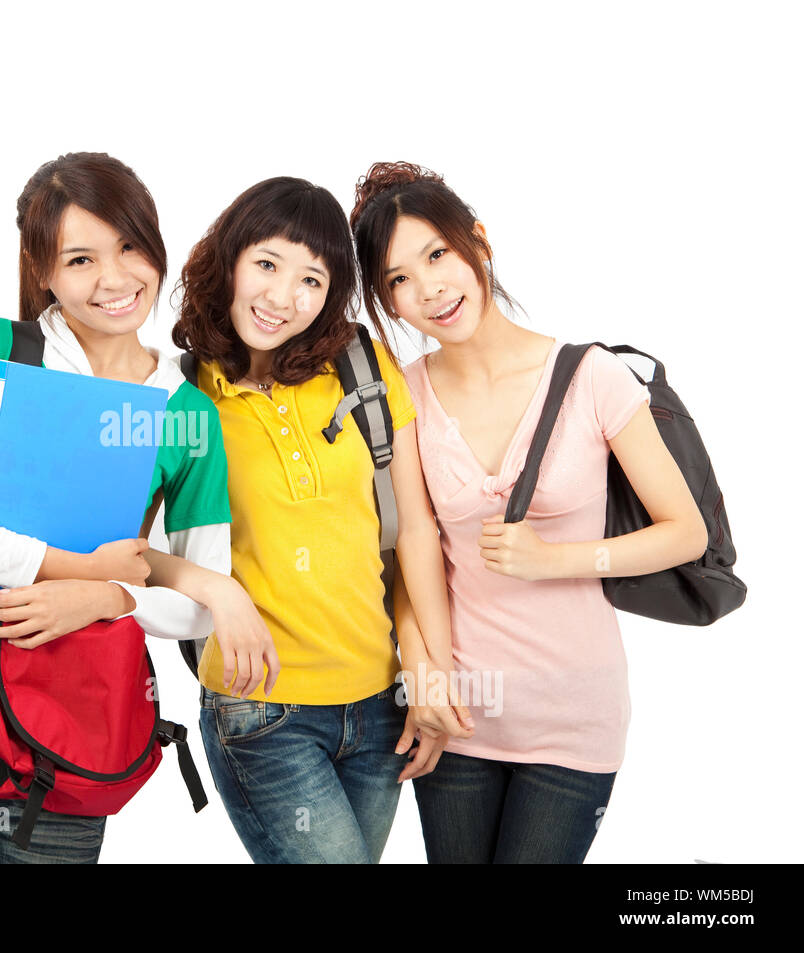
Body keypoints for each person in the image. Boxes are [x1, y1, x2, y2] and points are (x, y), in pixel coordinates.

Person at [0, 152, 242, 864]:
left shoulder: (186, 411)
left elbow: (198, 605)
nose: (114, 278)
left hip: (67, 720)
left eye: (130, 246)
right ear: (43, 270)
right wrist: (67, 569)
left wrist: (103, 597)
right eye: (80, 259)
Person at [350, 161, 708, 863]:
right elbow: (409, 542)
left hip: (574, 718)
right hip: (454, 715)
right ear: (388, 303)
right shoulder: (404, 396)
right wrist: (421, 665)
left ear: (477, 243)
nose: (429, 289)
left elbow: (685, 531)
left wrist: (557, 559)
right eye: (398, 280)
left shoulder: (592, 376)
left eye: (437, 255)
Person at [170, 176, 471, 864]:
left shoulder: (359, 367)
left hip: (378, 706)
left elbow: (414, 527)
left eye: (312, 279)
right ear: (229, 259)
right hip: (261, 711)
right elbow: (124, 548)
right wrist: (215, 589)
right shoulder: (182, 396)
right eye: (268, 265)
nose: (283, 297)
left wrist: (434, 673)